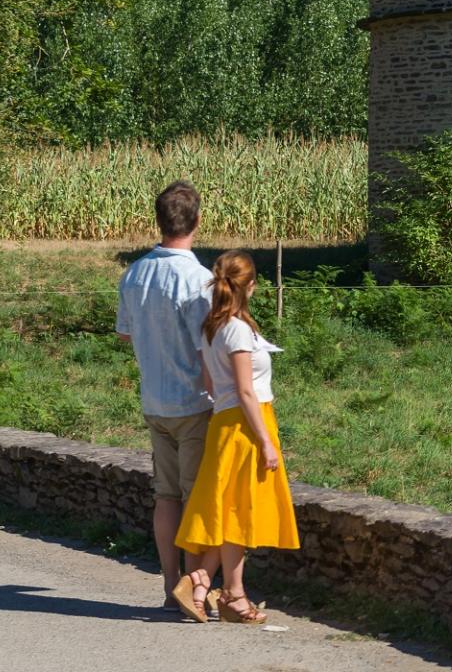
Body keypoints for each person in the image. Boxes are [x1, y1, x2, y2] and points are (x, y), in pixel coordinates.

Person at [171, 251, 300, 625]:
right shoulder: (240, 331)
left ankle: (204, 585)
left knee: (229, 512)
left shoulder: (212, 327)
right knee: (239, 514)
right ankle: (230, 593)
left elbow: (212, 384)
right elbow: (247, 391)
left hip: (223, 423)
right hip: (247, 424)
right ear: (252, 287)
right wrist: (265, 441)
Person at [115, 180, 216, 617]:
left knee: (166, 497)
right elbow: (209, 346)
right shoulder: (199, 280)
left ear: (159, 221)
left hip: (154, 399)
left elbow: (125, 333)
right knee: (196, 499)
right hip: (194, 400)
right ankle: (195, 590)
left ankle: (169, 582)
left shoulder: (135, 273)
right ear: (197, 221)